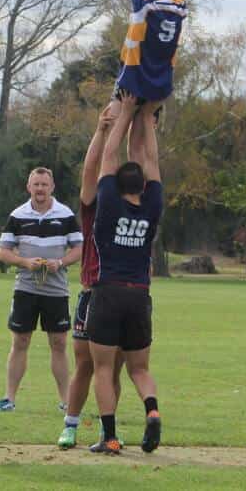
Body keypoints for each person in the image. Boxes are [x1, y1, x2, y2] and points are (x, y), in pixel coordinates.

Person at [86, 92, 164, 455]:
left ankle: (111, 437)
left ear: (117, 186)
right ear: (143, 187)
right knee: (139, 368)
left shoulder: (108, 205)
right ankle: (152, 410)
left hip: (108, 292)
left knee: (103, 369)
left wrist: (126, 113)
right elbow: (150, 159)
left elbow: (108, 155)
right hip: (140, 294)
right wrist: (146, 118)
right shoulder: (151, 206)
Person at [57, 105, 126, 450]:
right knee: (85, 363)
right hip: (93, 292)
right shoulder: (94, 207)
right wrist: (101, 131)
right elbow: (89, 171)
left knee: (113, 368)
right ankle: (70, 424)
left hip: (124, 294)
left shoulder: (134, 207)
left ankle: (106, 428)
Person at [0, 168, 84, 412]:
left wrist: (61, 263)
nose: (40, 189)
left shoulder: (65, 215)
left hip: (56, 291)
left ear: (52, 187)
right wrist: (25, 263)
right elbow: (2, 251)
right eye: (36, 184)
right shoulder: (18, 215)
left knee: (58, 343)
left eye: (44, 184)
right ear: (29, 187)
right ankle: (9, 399)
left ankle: (66, 401)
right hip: (25, 289)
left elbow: (79, 248)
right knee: (20, 341)